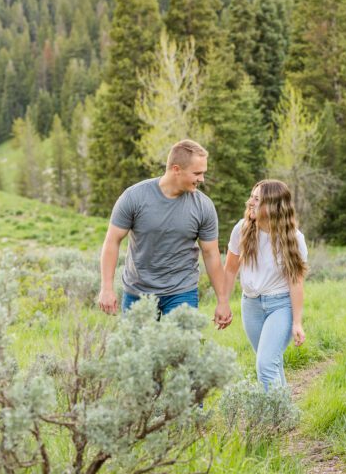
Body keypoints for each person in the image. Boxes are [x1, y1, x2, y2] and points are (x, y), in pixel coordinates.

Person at [98, 139, 226, 326]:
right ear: (176, 169)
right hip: (138, 291)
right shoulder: (134, 197)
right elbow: (112, 241)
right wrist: (106, 288)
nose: (202, 179)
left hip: (182, 291)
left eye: (203, 173)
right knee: (137, 353)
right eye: (197, 173)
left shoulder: (203, 206)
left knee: (181, 353)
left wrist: (222, 300)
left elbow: (211, 254)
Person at [215, 179, 307, 389]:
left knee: (265, 365)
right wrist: (224, 302)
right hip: (251, 306)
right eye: (252, 197)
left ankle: (275, 419)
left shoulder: (294, 238)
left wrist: (297, 322)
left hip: (281, 305)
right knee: (271, 362)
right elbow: (230, 269)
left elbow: (296, 281)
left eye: (257, 199)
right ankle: (284, 414)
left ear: (273, 205)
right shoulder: (242, 229)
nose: (251, 202)